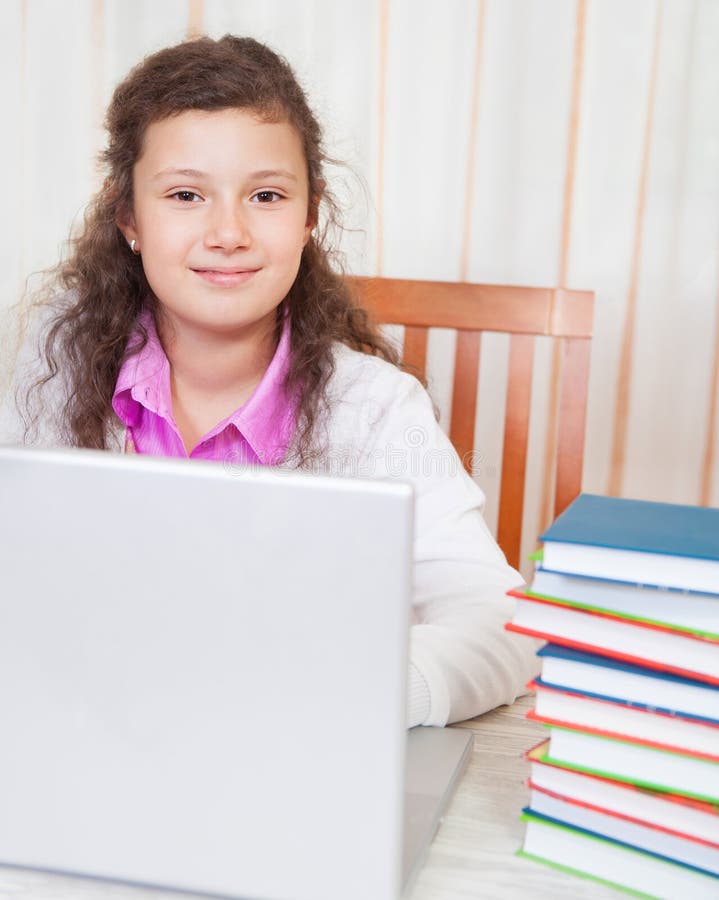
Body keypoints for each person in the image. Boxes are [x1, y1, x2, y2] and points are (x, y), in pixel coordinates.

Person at [0, 34, 538, 728]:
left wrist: (356, 693)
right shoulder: (54, 369)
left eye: (265, 195)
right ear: (128, 216)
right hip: (91, 736)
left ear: (309, 214)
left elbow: (501, 622)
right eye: (186, 194)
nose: (229, 232)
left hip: (297, 754)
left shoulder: (373, 408)